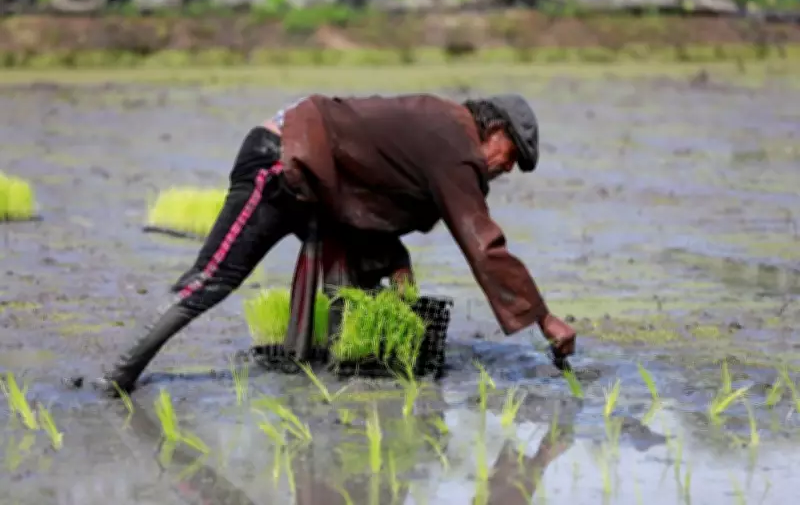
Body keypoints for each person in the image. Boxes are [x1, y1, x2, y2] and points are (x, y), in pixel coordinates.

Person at [91, 92, 577, 397]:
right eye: (511, 157)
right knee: (212, 280)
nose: (506, 169)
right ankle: (115, 378)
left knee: (348, 284)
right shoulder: (454, 144)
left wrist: (396, 258)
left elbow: (375, 193)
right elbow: (482, 244)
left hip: (318, 186)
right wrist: (542, 316)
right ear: (494, 131)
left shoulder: (442, 129)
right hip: (280, 163)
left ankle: (311, 381)